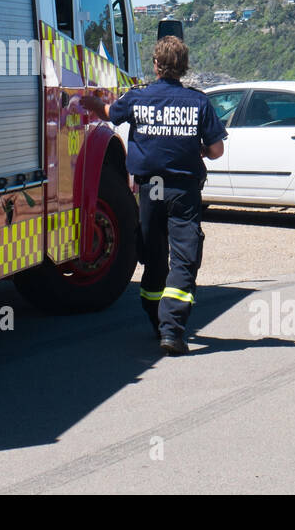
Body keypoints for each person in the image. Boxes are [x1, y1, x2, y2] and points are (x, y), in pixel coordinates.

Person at [81, 35, 226, 355]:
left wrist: (92, 105)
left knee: (154, 254)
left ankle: (156, 318)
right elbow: (216, 150)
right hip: (184, 191)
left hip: (151, 189)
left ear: (156, 66)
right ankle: (172, 329)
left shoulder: (138, 97)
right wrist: (198, 149)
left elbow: (109, 113)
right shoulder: (199, 102)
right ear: (184, 67)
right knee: (185, 258)